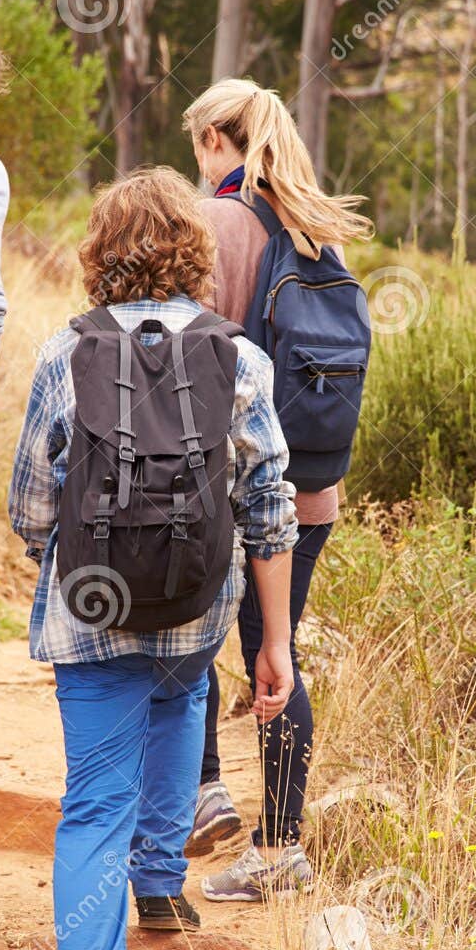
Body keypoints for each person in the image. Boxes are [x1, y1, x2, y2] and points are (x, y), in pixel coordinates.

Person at [9, 168, 298, 950]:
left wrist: (78, 564)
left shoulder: (65, 352)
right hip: (196, 605)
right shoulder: (237, 359)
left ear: (99, 252)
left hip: (90, 610)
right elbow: (270, 508)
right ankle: (161, 880)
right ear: (192, 250)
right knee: (182, 700)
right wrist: (274, 641)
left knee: (95, 801)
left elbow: (31, 505)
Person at [179, 79, 375, 900]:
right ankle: (280, 845)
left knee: (183, 642)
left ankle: (205, 794)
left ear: (217, 141)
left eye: (198, 145)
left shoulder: (219, 224)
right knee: (277, 654)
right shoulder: (318, 232)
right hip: (311, 493)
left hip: (229, 486)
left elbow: (185, 361)